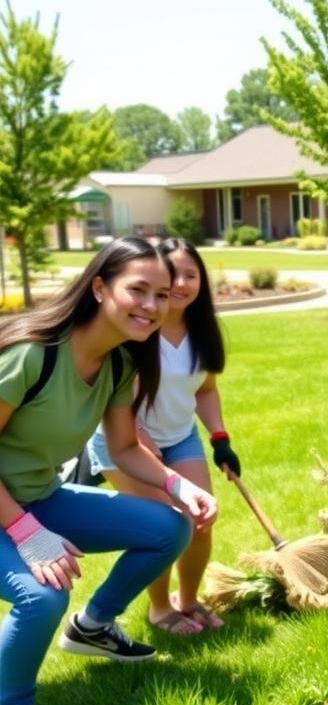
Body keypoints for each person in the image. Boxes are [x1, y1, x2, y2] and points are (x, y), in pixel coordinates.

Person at [0, 237, 217, 705]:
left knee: (170, 527)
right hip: (10, 511)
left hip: (41, 496)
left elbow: (123, 447)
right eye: (137, 290)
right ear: (99, 288)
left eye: (161, 294)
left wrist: (176, 484)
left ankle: (94, 626)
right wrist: (27, 532)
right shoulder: (32, 355)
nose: (152, 305)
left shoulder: (118, 365)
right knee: (42, 594)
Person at [85, 238, 238, 635]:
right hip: (126, 441)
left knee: (201, 522)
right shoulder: (138, 328)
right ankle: (158, 607)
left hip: (180, 436)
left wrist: (220, 438)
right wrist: (163, 473)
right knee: (166, 523)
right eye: (174, 276)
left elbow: (205, 389)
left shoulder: (203, 331)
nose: (183, 283)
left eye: (192, 274)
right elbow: (121, 412)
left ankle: (188, 601)